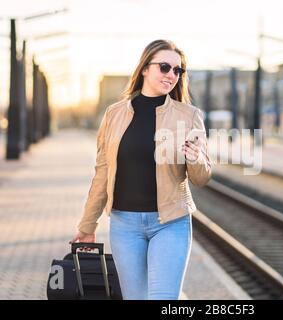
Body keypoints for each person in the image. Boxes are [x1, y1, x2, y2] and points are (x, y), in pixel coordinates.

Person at [69, 39, 212, 300]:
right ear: (145, 68)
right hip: (125, 226)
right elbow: (102, 173)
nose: (171, 75)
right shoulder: (114, 114)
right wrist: (88, 224)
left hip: (170, 223)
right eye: (165, 67)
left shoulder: (188, 115)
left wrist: (194, 158)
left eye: (178, 71)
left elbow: (202, 177)